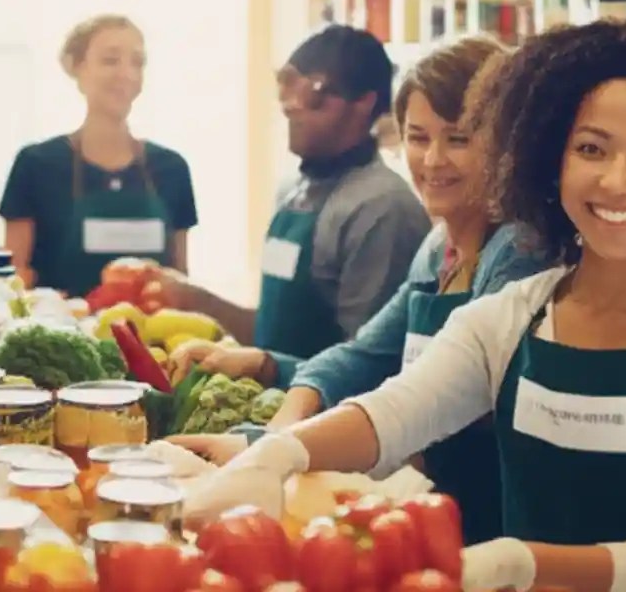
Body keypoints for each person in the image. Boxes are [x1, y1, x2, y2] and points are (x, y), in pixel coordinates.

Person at [183, 21, 626, 592]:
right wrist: (276, 452)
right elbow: (394, 411)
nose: (616, 180)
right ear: (548, 159)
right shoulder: (513, 314)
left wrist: (515, 560)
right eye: (591, 148)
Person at [170, 36, 547, 544]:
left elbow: (455, 406)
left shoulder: (518, 252)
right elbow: (362, 356)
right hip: (415, 504)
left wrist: (276, 450)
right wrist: (277, 419)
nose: (433, 160)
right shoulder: (440, 249)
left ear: (504, 144)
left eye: (459, 139)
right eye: (418, 137)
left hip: (481, 524)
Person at [158, 25, 431, 380]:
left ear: (364, 102)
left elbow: (367, 368)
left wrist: (268, 369)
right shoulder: (293, 188)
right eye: (286, 86)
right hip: (273, 404)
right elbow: (272, 330)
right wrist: (194, 299)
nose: (291, 106)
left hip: (322, 424)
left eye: (314, 91)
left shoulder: (382, 208)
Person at [0, 14, 198, 297]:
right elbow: (15, 278)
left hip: (152, 338)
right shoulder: (37, 164)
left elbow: (181, 281)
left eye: (137, 62)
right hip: (62, 335)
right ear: (76, 68)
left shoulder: (170, 169)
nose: (126, 73)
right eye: (110, 60)